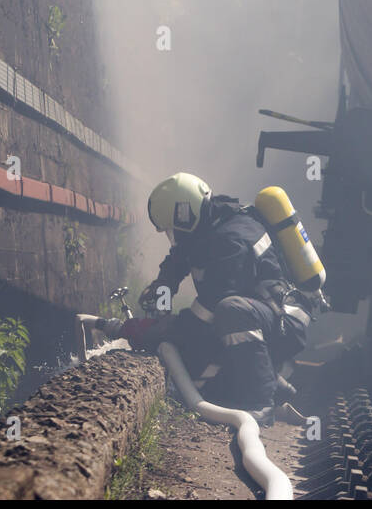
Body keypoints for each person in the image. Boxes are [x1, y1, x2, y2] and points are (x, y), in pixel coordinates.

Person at [136, 172, 319, 426]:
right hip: (259, 318)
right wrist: (160, 292)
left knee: (228, 312)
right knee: (208, 380)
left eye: (172, 229)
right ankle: (274, 381)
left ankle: (262, 404)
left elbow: (211, 305)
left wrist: (165, 330)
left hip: (284, 323)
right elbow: (177, 260)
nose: (173, 236)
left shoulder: (232, 238)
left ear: (184, 216)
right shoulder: (206, 226)